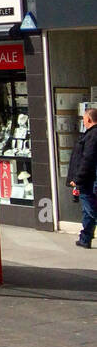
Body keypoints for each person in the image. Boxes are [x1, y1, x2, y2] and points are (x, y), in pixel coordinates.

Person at [67, 107, 97, 249]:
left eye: (84, 119)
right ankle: (85, 238)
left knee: (91, 209)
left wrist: (78, 178)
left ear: (89, 119)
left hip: (88, 181)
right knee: (87, 211)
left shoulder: (93, 135)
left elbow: (87, 159)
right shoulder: (90, 134)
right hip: (88, 180)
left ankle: (85, 238)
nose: (83, 122)